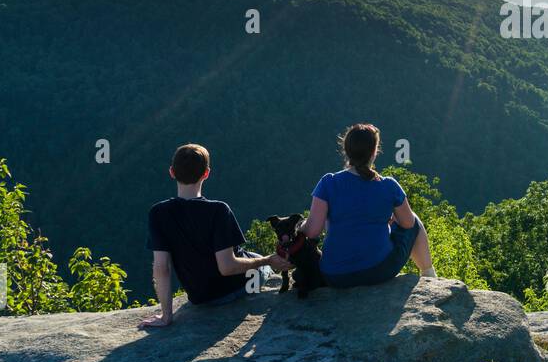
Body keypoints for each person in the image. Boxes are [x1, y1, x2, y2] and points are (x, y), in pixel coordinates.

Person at [139, 143, 289, 328]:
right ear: (206, 173)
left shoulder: (158, 213)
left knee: (253, 257)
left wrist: (166, 316)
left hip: (199, 297)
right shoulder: (218, 210)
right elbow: (227, 267)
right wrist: (266, 261)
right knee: (260, 262)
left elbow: (161, 268)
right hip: (232, 290)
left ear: (172, 172)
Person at [300, 123, 436, 287]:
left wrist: (300, 225)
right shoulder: (388, 185)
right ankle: (429, 276)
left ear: (346, 150)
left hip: (334, 275)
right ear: (374, 152)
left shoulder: (328, 182)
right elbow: (408, 224)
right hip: (377, 271)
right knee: (413, 218)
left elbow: (313, 231)